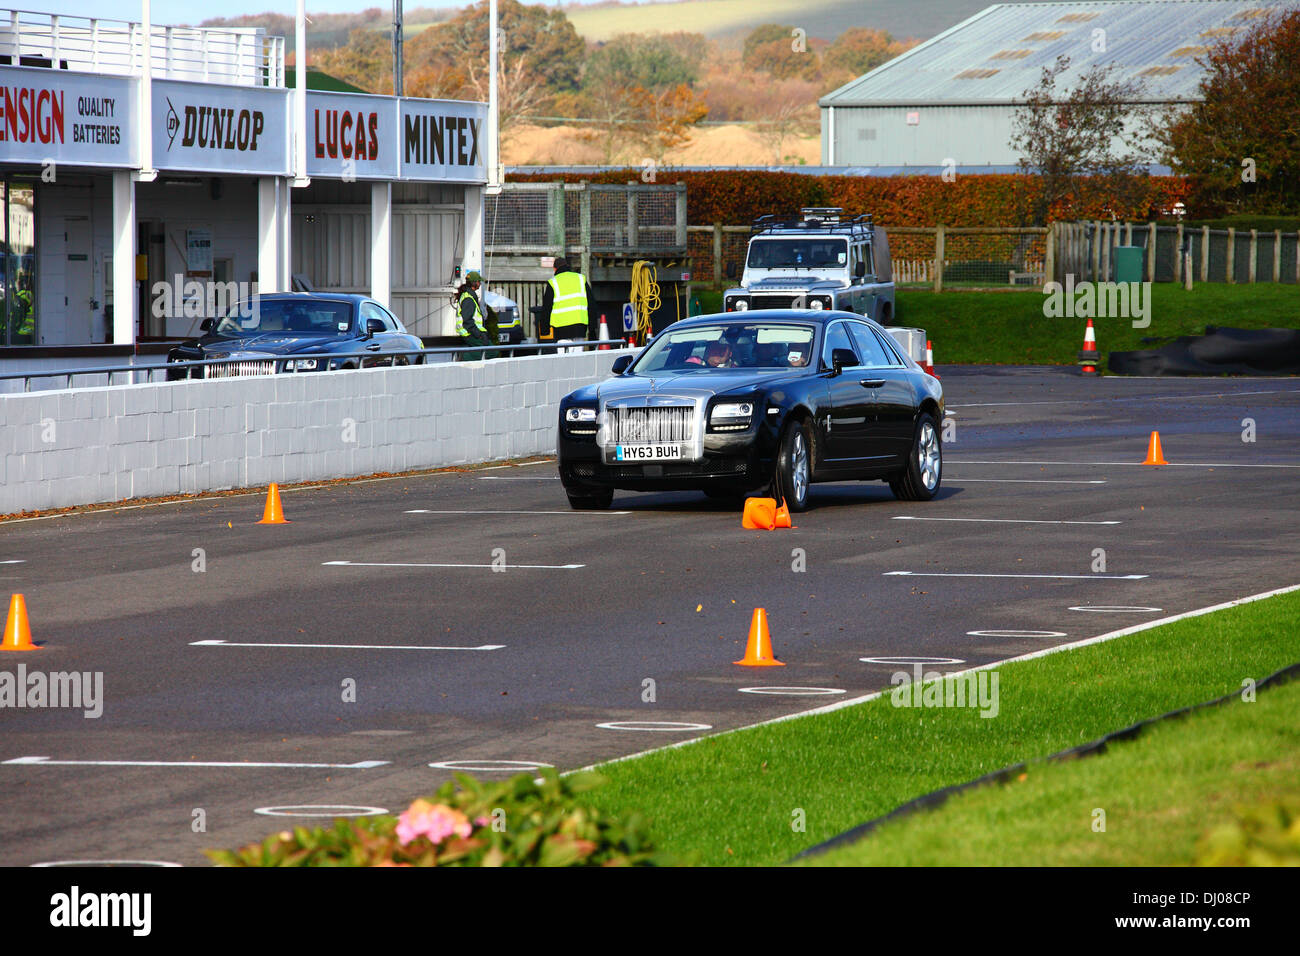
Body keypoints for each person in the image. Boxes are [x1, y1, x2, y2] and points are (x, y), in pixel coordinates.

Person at [542, 258, 594, 350]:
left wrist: (544, 330)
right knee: (578, 358)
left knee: (563, 360)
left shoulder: (553, 282)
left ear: (555, 269)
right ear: (567, 266)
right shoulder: (580, 279)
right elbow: (591, 304)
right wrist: (592, 328)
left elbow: (547, 308)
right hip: (579, 327)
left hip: (561, 330)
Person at [454, 271, 493, 360]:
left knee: (488, 350)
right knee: (492, 351)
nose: (480, 284)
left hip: (472, 332)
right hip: (469, 333)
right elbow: (467, 321)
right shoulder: (468, 298)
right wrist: (479, 334)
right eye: (479, 281)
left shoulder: (468, 295)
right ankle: (464, 357)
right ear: (474, 283)